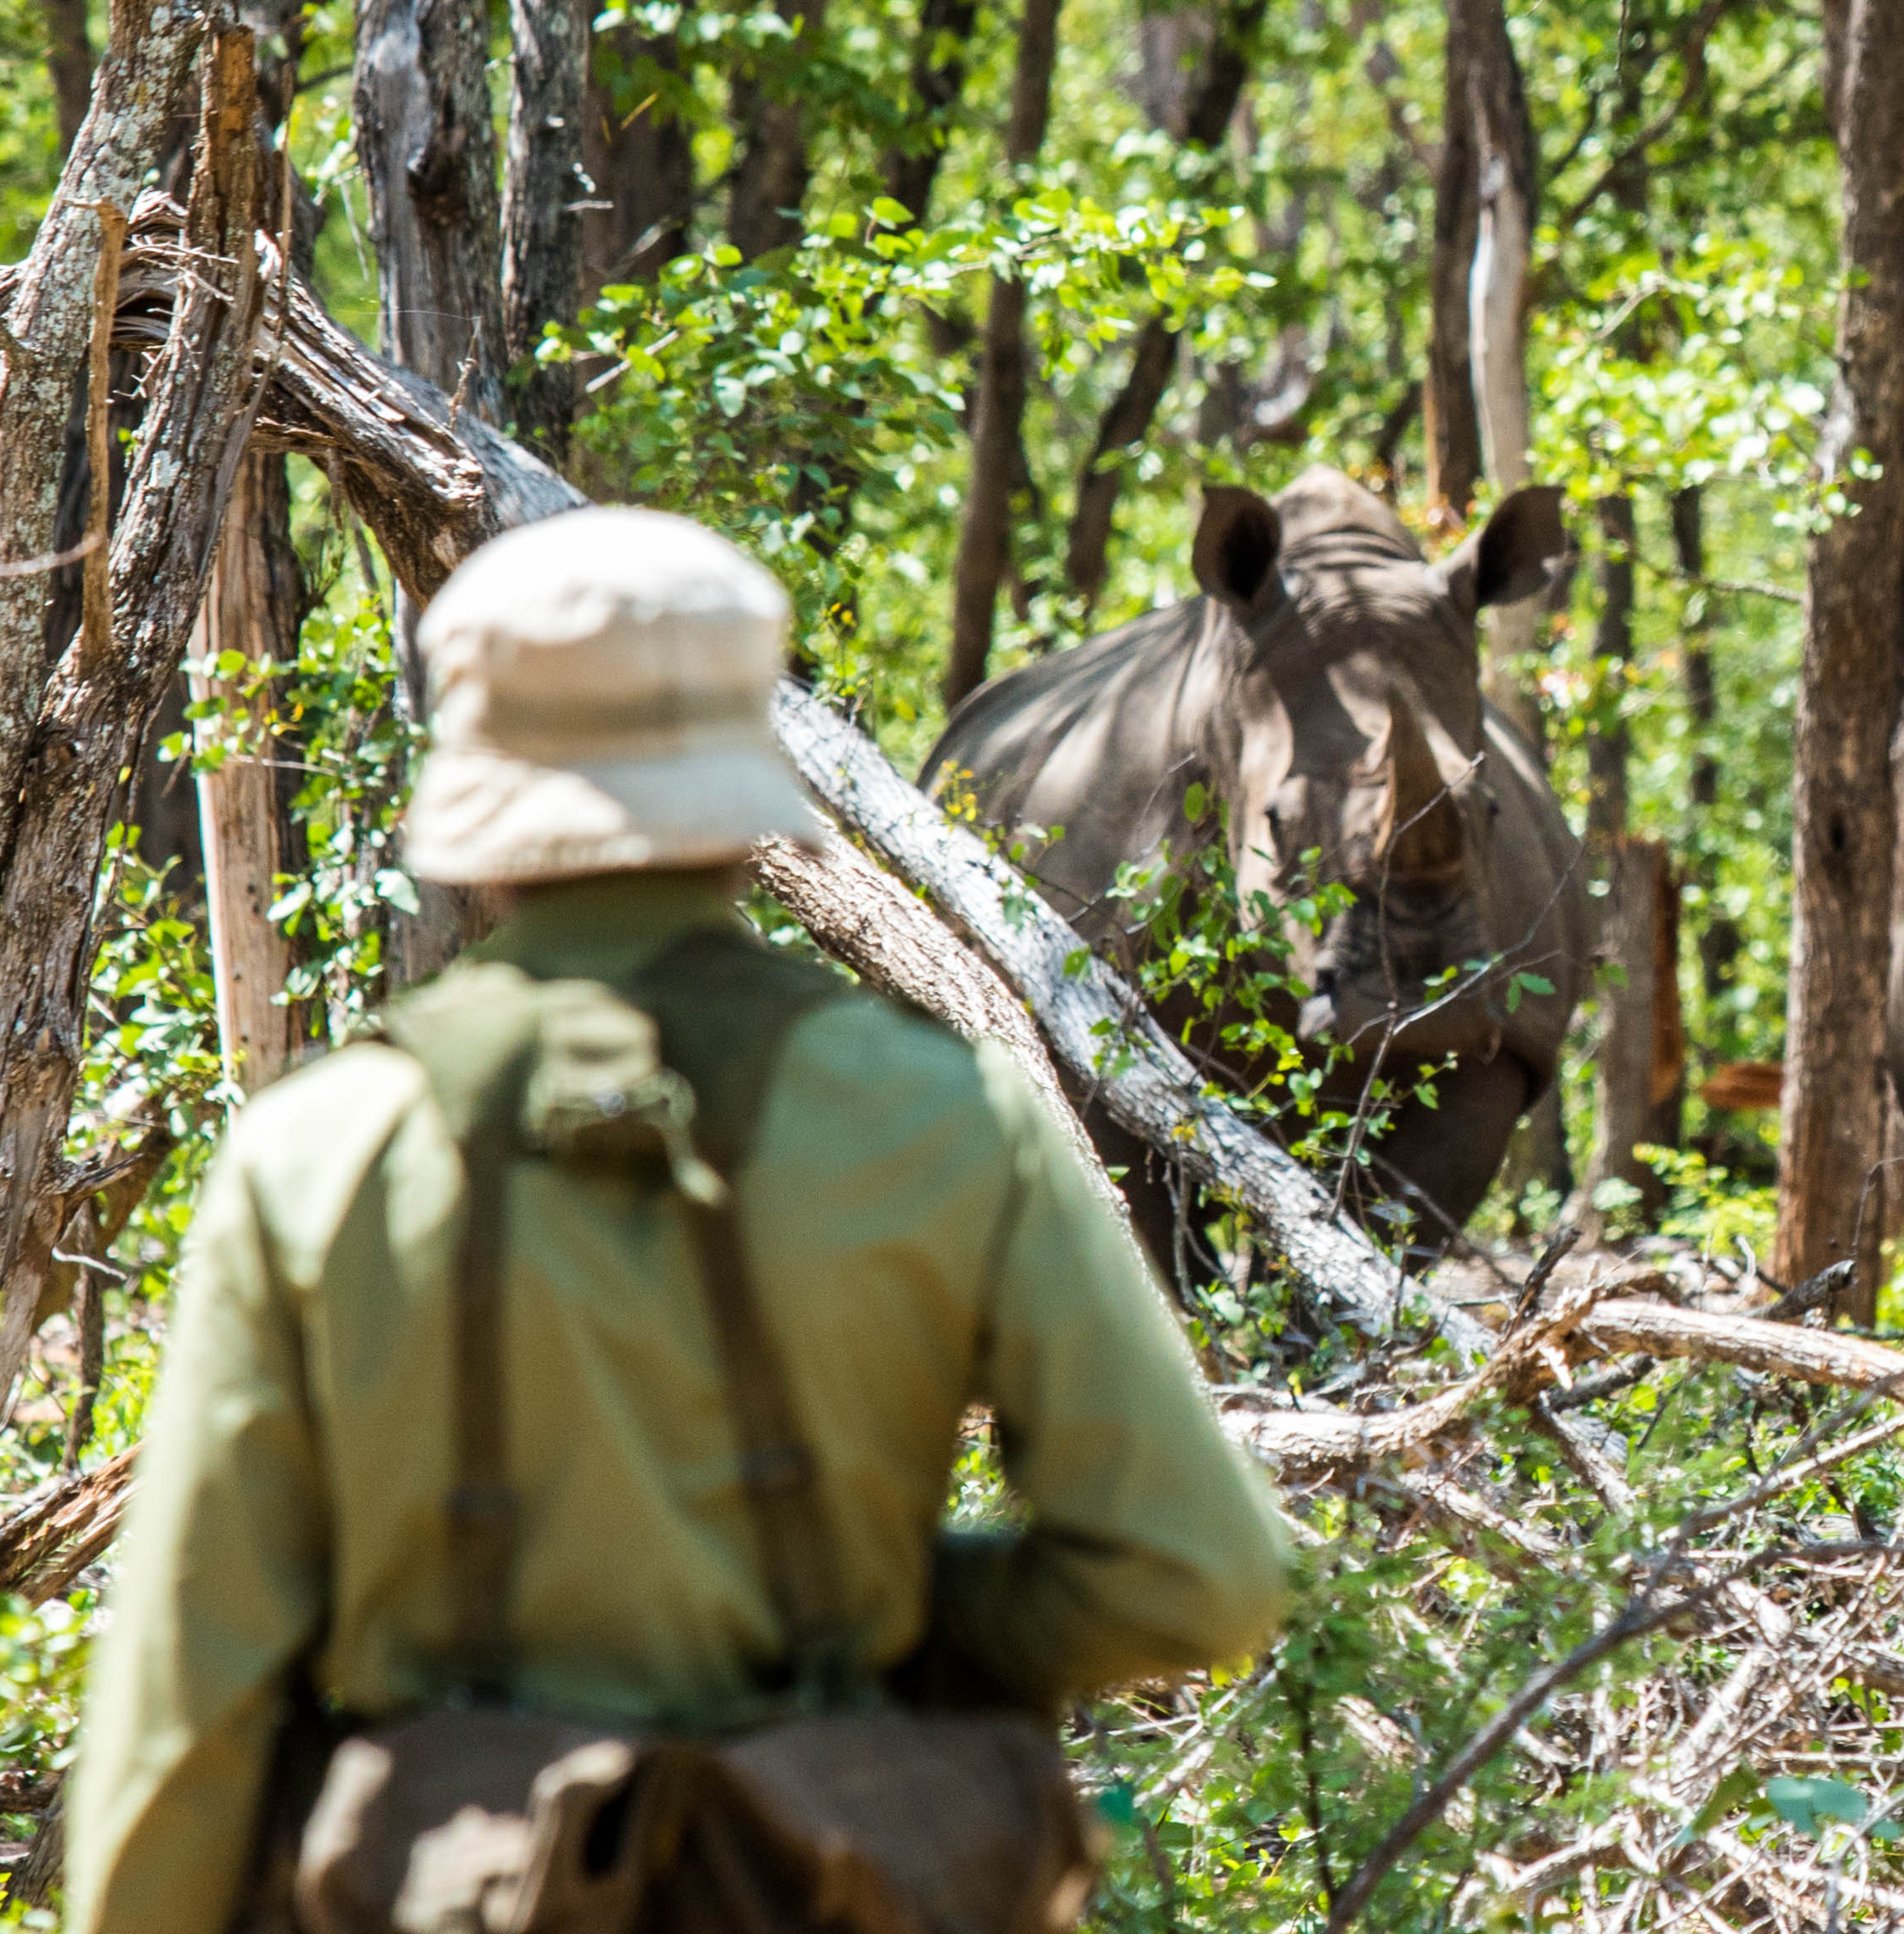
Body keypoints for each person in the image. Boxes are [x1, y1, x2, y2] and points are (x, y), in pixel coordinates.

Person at [64, 508, 1290, 1934]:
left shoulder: (317, 1152)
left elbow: (185, 1706)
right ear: (740, 792)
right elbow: (1199, 1578)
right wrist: (906, 1610)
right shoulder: (941, 1119)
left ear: (481, 805)